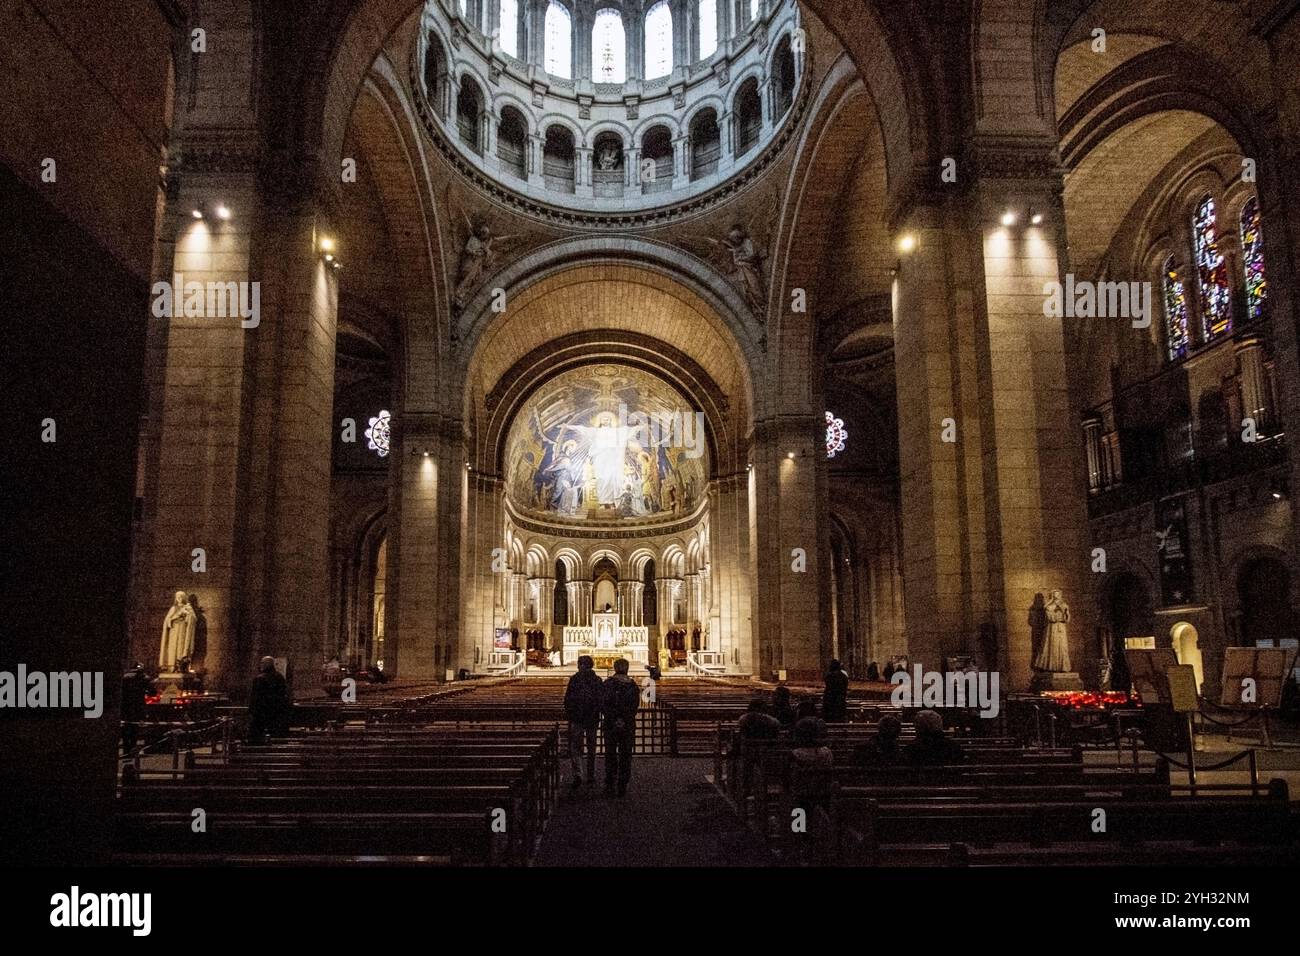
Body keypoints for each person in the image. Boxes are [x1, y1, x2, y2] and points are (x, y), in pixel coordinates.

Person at [601, 658, 642, 797]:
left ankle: (610, 783)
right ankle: (622, 784)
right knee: (625, 754)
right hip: (627, 725)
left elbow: (604, 704)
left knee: (610, 754)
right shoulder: (633, 686)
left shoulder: (607, 684)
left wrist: (614, 718)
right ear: (627, 669)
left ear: (614, 668)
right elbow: (634, 706)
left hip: (610, 724)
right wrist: (624, 719)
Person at [564, 655, 603, 789]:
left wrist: (571, 714)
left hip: (577, 719)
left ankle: (578, 775)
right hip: (592, 719)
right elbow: (600, 700)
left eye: (579, 664)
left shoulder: (574, 680)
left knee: (576, 747)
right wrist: (597, 713)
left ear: (581, 665)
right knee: (592, 747)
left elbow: (568, 700)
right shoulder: (597, 680)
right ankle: (590, 775)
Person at [247, 656, 290, 744]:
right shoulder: (280, 677)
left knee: (256, 736)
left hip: (262, 713)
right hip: (277, 713)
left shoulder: (259, 679)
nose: (260, 665)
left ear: (267, 664)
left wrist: (251, 711)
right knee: (275, 735)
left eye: (262, 663)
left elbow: (255, 698)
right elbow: (284, 694)